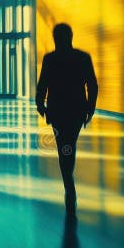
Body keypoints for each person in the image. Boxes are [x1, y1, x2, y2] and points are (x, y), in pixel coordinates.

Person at [36, 23, 98, 214]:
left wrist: (41, 106)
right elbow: (92, 85)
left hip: (57, 111)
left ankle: (68, 185)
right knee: (69, 143)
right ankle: (68, 182)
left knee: (64, 145)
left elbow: (42, 84)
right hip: (76, 111)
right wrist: (90, 108)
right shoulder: (82, 58)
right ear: (71, 36)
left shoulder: (50, 59)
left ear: (55, 38)